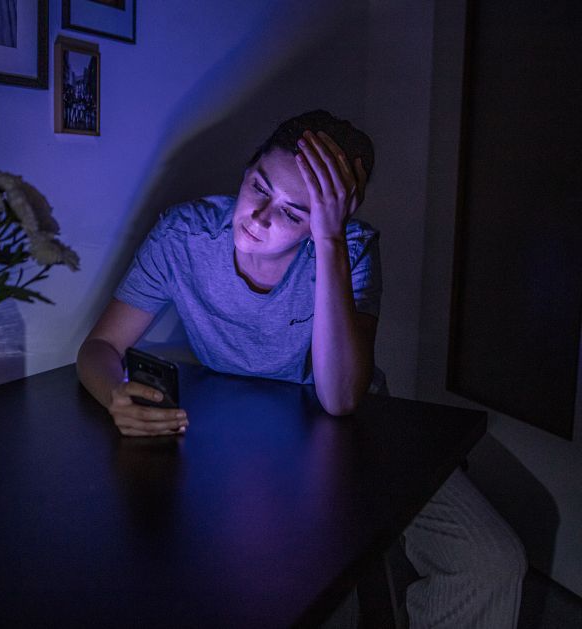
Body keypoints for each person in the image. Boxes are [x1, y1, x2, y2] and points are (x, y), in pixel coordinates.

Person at [76, 110, 527, 627]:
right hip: (239, 434)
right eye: (258, 187)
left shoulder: (349, 249)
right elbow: (100, 347)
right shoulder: (183, 236)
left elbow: (341, 398)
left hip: (356, 433)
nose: (260, 217)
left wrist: (330, 242)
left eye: (293, 214)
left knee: (490, 561)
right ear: (247, 170)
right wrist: (114, 394)